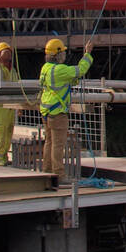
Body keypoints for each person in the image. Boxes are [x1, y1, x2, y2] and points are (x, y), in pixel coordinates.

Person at [39, 37, 94, 179]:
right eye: (62, 52)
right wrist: (87, 54)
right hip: (57, 112)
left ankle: (47, 170)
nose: (64, 54)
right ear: (57, 54)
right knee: (58, 144)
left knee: (49, 142)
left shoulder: (46, 68)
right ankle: (58, 174)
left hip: (47, 111)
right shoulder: (59, 70)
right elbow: (80, 70)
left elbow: (65, 80)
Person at [0, 42, 20, 166]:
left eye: (9, 52)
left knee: (8, 132)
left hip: (11, 107)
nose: (8, 54)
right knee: (0, 133)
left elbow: (18, 87)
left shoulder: (12, 70)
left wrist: (19, 105)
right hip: (0, 107)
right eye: (5, 52)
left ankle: (4, 157)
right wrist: (0, 58)